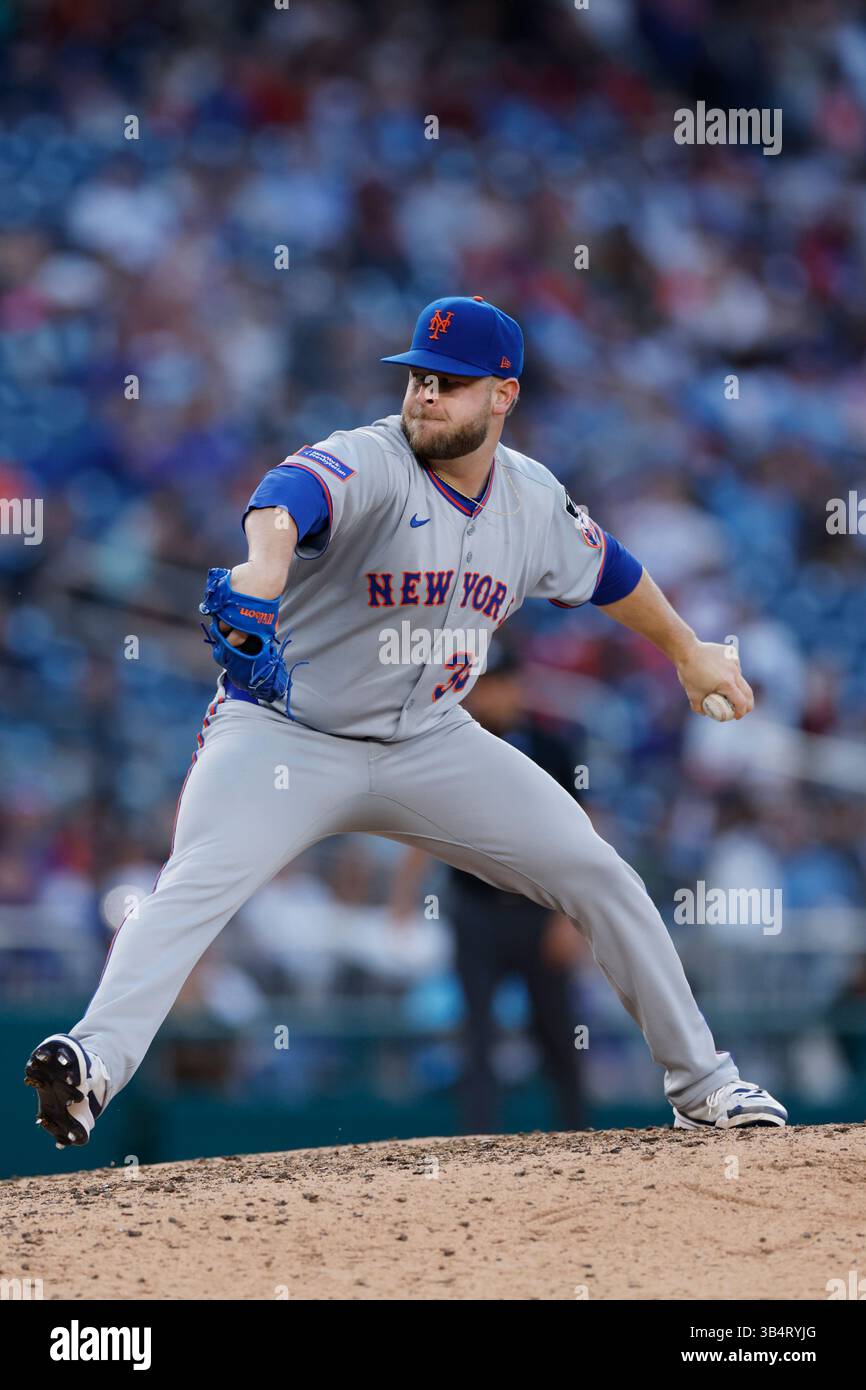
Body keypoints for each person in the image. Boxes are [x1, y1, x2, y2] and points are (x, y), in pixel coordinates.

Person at [25, 295, 786, 1148]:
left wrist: (687, 648)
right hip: (286, 733)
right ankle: (90, 1063)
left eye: (451, 383)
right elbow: (284, 499)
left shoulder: (531, 500)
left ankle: (704, 1087)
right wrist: (264, 572)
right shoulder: (375, 461)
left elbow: (611, 571)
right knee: (192, 886)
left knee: (599, 873)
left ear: (504, 395)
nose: (425, 394)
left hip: (433, 741)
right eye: (419, 376)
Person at [389, 639, 589, 1133]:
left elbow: (584, 833)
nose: (493, 695)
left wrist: (574, 917)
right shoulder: (450, 745)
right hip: (475, 908)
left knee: (557, 1032)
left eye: (501, 683)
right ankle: (478, 1146)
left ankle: (580, 1137)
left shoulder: (554, 747)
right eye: (484, 684)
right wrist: (403, 896)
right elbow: (423, 824)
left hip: (539, 907)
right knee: (476, 1034)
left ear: (519, 686)